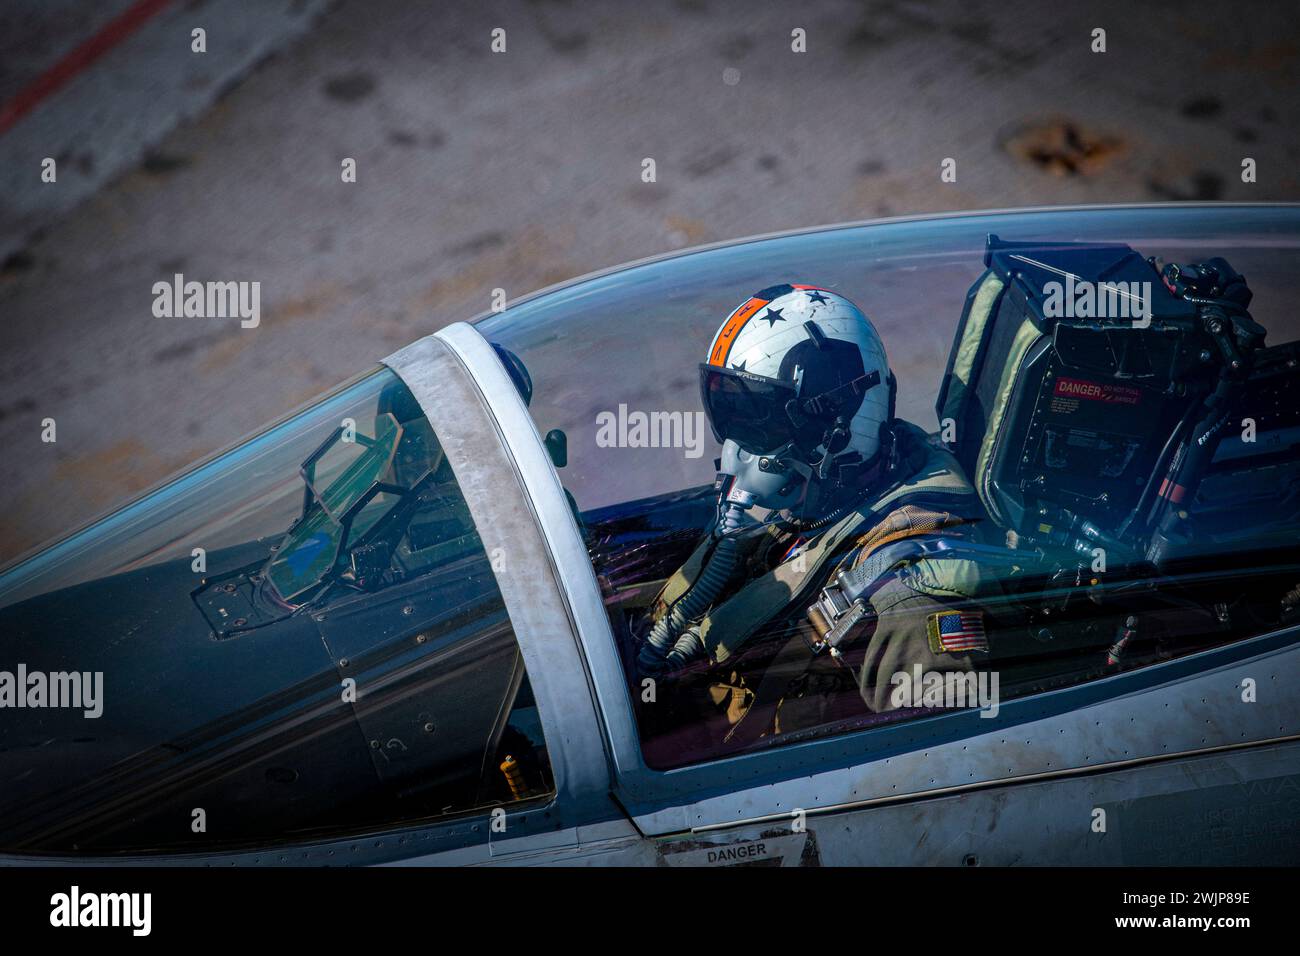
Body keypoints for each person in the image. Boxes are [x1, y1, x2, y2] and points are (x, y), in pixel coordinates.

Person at [635, 284, 1002, 741]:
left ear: (837, 426)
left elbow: (942, 776)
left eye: (759, 422)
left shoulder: (904, 605)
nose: (736, 450)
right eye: (729, 416)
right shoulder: (818, 513)